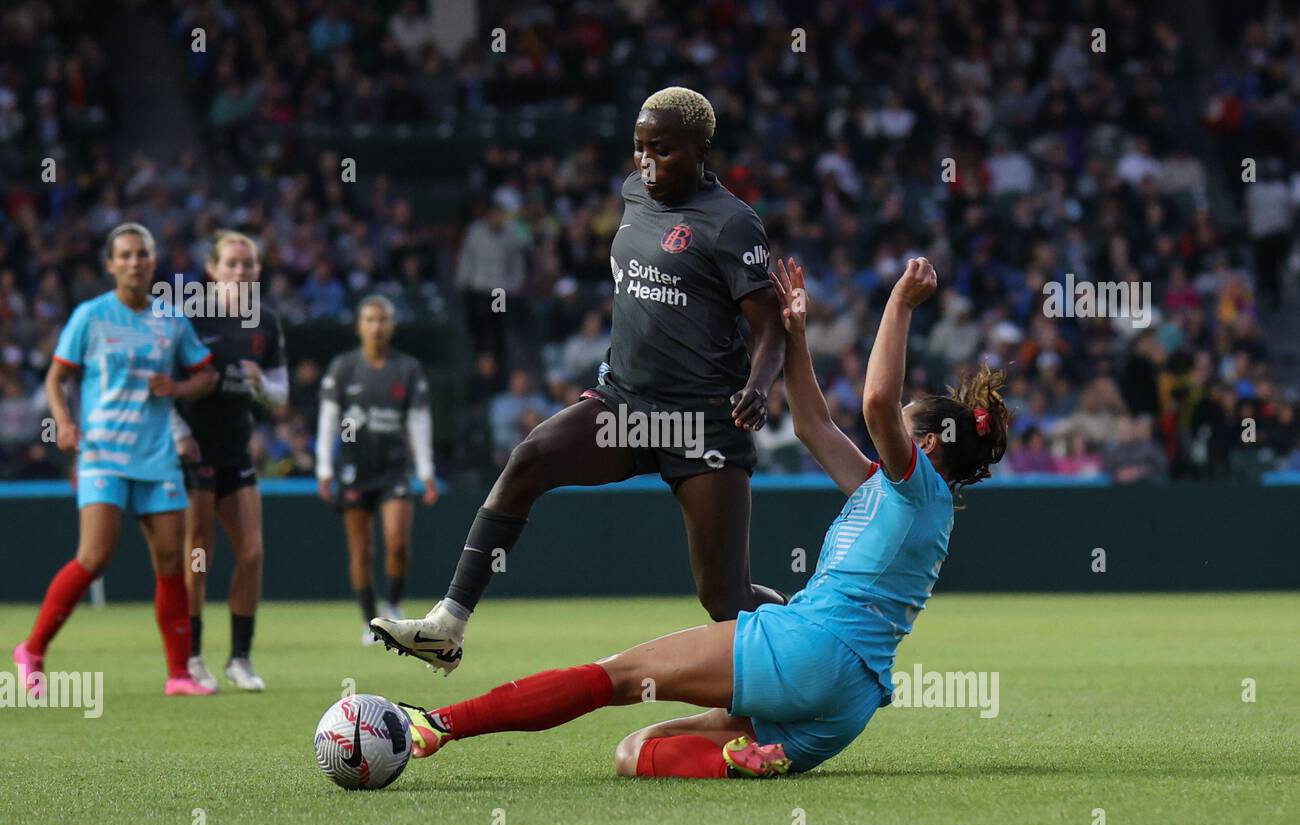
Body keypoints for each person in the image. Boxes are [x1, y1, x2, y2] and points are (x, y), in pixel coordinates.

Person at [375, 257, 1010, 777]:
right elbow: (815, 424)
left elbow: (875, 401)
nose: (887, 437)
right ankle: (749, 759)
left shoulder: (913, 484)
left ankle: (436, 725)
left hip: (805, 650)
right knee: (636, 754)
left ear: (925, 446)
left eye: (903, 433)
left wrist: (899, 302)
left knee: (612, 678)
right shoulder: (905, 501)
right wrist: (793, 336)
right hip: (846, 705)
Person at [375, 86, 788, 672]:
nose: (646, 163)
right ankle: (448, 626)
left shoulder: (733, 224)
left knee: (726, 599)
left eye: (662, 151)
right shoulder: (633, 192)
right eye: (640, 148)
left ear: (701, 150)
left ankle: (817, 637)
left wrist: (759, 386)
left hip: (701, 424)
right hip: (624, 404)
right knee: (531, 456)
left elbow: (771, 329)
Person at [12, 223, 218, 697]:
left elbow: (205, 377)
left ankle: (178, 675)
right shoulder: (90, 316)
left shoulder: (172, 320)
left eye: (142, 254)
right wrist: (63, 422)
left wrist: (180, 387)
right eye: (124, 255)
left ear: (152, 261)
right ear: (110, 264)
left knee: (171, 561)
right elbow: (55, 378)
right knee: (95, 556)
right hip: (103, 454)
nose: (134, 262)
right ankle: (33, 648)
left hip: (158, 458)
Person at [171, 231, 288, 691]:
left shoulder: (266, 323)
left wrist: (261, 386)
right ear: (214, 269)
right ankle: (193, 655)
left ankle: (240, 657)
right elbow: (164, 388)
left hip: (236, 450)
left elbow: (280, 395)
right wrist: (179, 435)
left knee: (253, 553)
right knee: (198, 554)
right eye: (232, 263)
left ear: (258, 271)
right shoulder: (189, 319)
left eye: (248, 264)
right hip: (195, 450)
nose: (240, 271)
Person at [315, 295, 437, 643]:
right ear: (359, 326)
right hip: (354, 468)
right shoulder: (343, 368)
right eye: (369, 320)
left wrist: (426, 470)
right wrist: (324, 468)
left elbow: (418, 420)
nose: (376, 327)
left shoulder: (407, 369)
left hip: (394, 468)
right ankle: (370, 621)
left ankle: (393, 604)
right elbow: (327, 419)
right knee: (362, 550)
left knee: (397, 542)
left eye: (382, 320)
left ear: (392, 325)